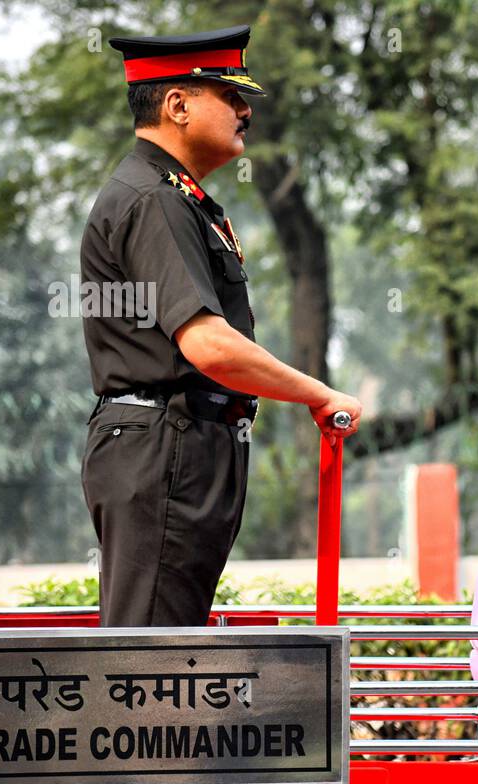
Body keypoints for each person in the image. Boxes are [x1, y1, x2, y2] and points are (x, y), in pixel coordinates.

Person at [80, 25, 361, 627]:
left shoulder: (178, 198)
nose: (244, 110)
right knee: (148, 668)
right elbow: (208, 344)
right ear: (177, 105)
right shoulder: (153, 198)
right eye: (229, 96)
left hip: (179, 441)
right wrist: (319, 393)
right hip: (163, 441)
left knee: (164, 653)